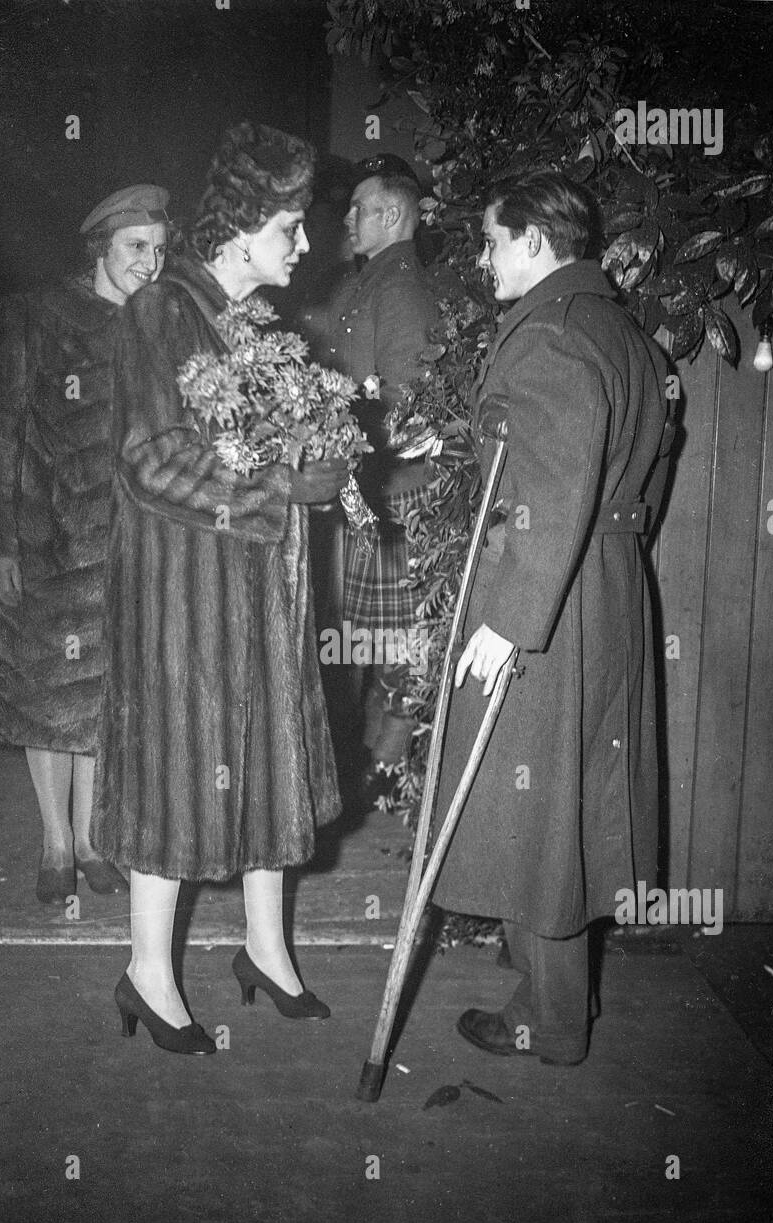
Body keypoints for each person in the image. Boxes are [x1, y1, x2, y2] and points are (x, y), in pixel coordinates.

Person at [92, 123, 347, 1055]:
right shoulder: (159, 313)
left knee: (266, 762)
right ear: (242, 231)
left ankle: (266, 952)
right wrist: (282, 484)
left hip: (259, 598)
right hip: (181, 599)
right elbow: (151, 461)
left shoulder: (245, 325)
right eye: (291, 227)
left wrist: (312, 461)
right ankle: (148, 974)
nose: (305, 246)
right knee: (178, 774)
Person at [431, 172, 675, 1066]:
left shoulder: (551, 337)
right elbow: (641, 479)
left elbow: (553, 484)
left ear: (533, 240)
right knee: (564, 810)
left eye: (491, 241)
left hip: (548, 601)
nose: (483, 258)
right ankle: (550, 1005)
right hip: (605, 585)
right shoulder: (627, 336)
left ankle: (551, 1021)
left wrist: (507, 619)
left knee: (536, 815)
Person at [0, 186, 170, 900]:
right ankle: (55, 844)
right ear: (101, 249)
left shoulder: (156, 322)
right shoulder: (35, 316)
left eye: (159, 246)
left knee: (103, 696)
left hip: (129, 544)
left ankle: (89, 840)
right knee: (45, 698)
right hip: (47, 537)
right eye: (135, 246)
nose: (151, 260)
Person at [301, 154, 438, 802]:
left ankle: (386, 775)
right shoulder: (367, 282)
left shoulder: (401, 288)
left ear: (389, 214)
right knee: (356, 640)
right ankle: (364, 773)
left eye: (358, 208)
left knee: (391, 644)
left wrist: (347, 453)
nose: (348, 219)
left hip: (387, 496)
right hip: (360, 492)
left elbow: (410, 408)